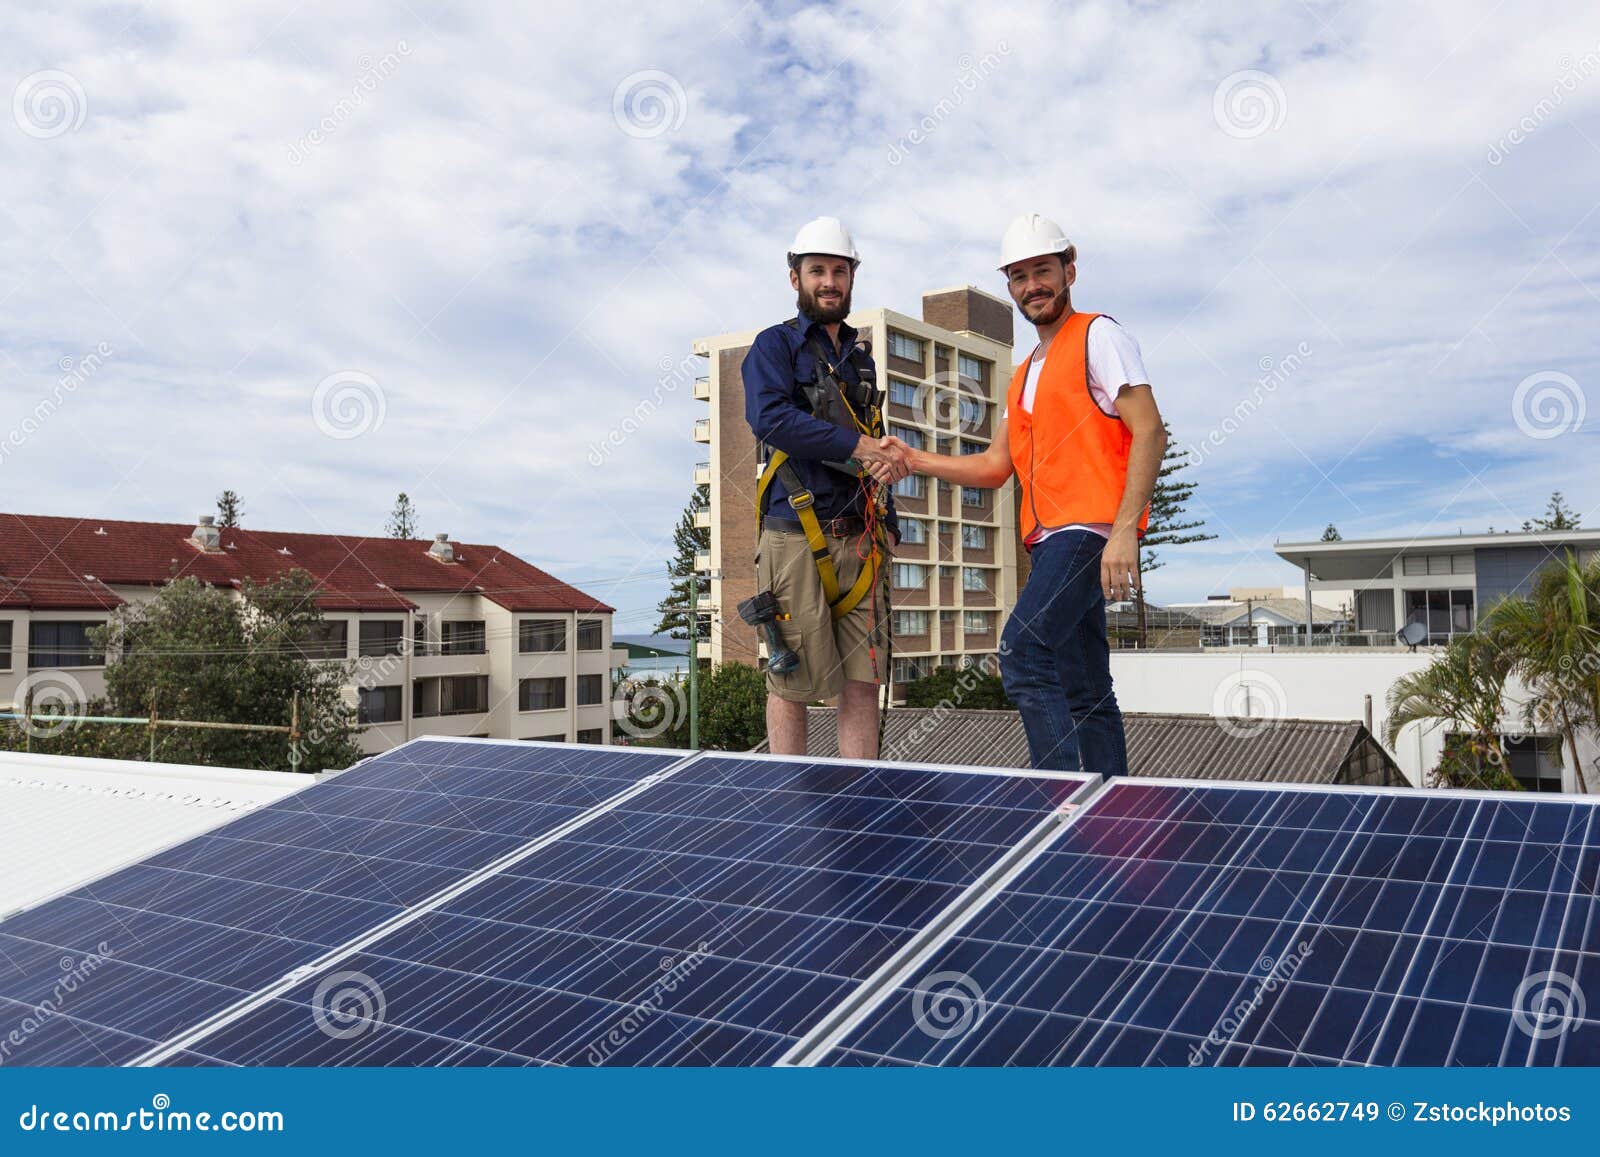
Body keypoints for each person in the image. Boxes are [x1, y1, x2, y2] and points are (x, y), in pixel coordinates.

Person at [878, 213, 1166, 774]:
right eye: (1019, 276)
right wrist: (914, 459)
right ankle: (1109, 803)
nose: (1032, 285)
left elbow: (1150, 428)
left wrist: (1125, 531)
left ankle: (1055, 801)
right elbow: (994, 466)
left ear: (1069, 270)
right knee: (1085, 688)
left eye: (1043, 270)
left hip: (1089, 533)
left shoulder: (1099, 335)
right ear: (1010, 287)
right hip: (1049, 538)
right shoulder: (1023, 373)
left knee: (1023, 652)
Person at [742, 217, 910, 759]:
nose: (829, 282)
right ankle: (788, 799)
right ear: (795, 278)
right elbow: (769, 418)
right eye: (817, 271)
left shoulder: (858, 360)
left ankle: (857, 797)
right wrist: (861, 449)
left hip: (861, 538)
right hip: (796, 534)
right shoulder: (775, 347)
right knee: (790, 681)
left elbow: (865, 436)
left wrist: (882, 460)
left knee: (863, 680)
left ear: (852, 276)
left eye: (839, 271)